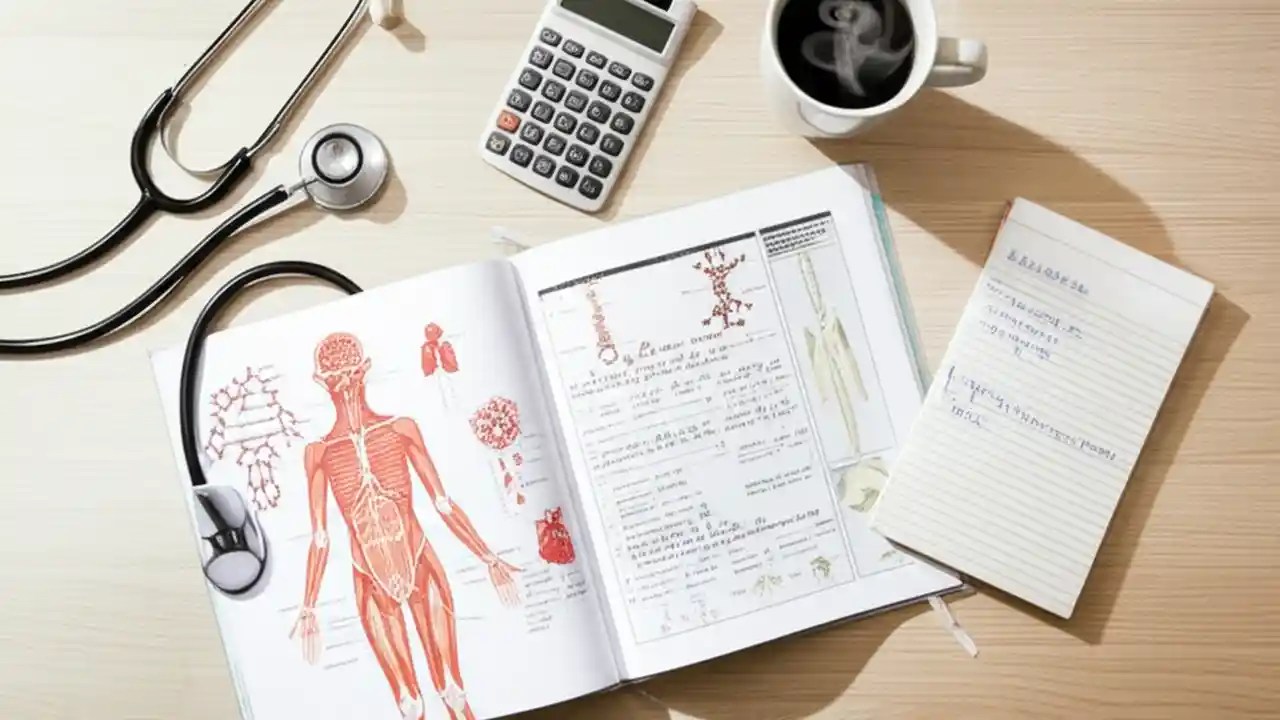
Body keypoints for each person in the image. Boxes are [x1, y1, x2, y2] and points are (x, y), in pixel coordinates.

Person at [290, 332, 520, 720]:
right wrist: (308, 605)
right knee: (411, 703)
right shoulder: (320, 453)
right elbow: (321, 535)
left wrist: (488, 557)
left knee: (451, 689)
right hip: (371, 576)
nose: (346, 388)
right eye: (338, 380)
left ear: (362, 372)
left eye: (348, 377)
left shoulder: (399, 430)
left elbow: (442, 502)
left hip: (417, 560)